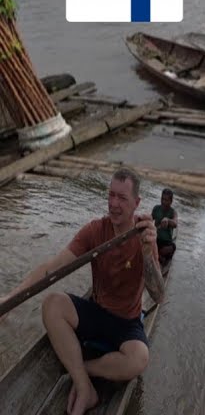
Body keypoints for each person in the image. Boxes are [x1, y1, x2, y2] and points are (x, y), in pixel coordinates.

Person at [0, 169, 165, 415]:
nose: (113, 204)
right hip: (97, 312)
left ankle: (81, 368)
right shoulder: (95, 230)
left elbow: (158, 295)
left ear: (136, 203)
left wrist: (146, 252)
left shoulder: (143, 235)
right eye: (111, 195)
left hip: (126, 322)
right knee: (52, 304)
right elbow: (51, 269)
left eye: (122, 198)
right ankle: (84, 387)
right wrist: (10, 299)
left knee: (139, 359)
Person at [151, 188, 177, 266]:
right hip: (156, 240)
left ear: (171, 201)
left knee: (173, 247)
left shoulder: (173, 212)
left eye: (166, 200)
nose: (163, 202)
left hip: (166, 243)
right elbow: (149, 219)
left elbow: (175, 223)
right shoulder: (156, 208)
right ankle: (158, 256)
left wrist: (168, 220)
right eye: (162, 199)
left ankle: (159, 255)